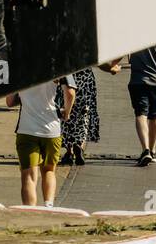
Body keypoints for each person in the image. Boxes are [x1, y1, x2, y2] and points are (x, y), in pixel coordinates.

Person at [6, 75, 76, 206]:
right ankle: (48, 206)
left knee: (28, 176)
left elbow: (10, 101)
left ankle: (30, 212)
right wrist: (66, 113)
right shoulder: (59, 64)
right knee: (49, 171)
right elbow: (71, 93)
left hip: (27, 129)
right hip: (52, 130)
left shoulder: (20, 66)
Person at [61, 66, 99, 165]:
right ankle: (79, 145)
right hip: (86, 79)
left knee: (67, 112)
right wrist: (111, 67)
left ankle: (69, 152)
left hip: (67, 77)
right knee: (83, 115)